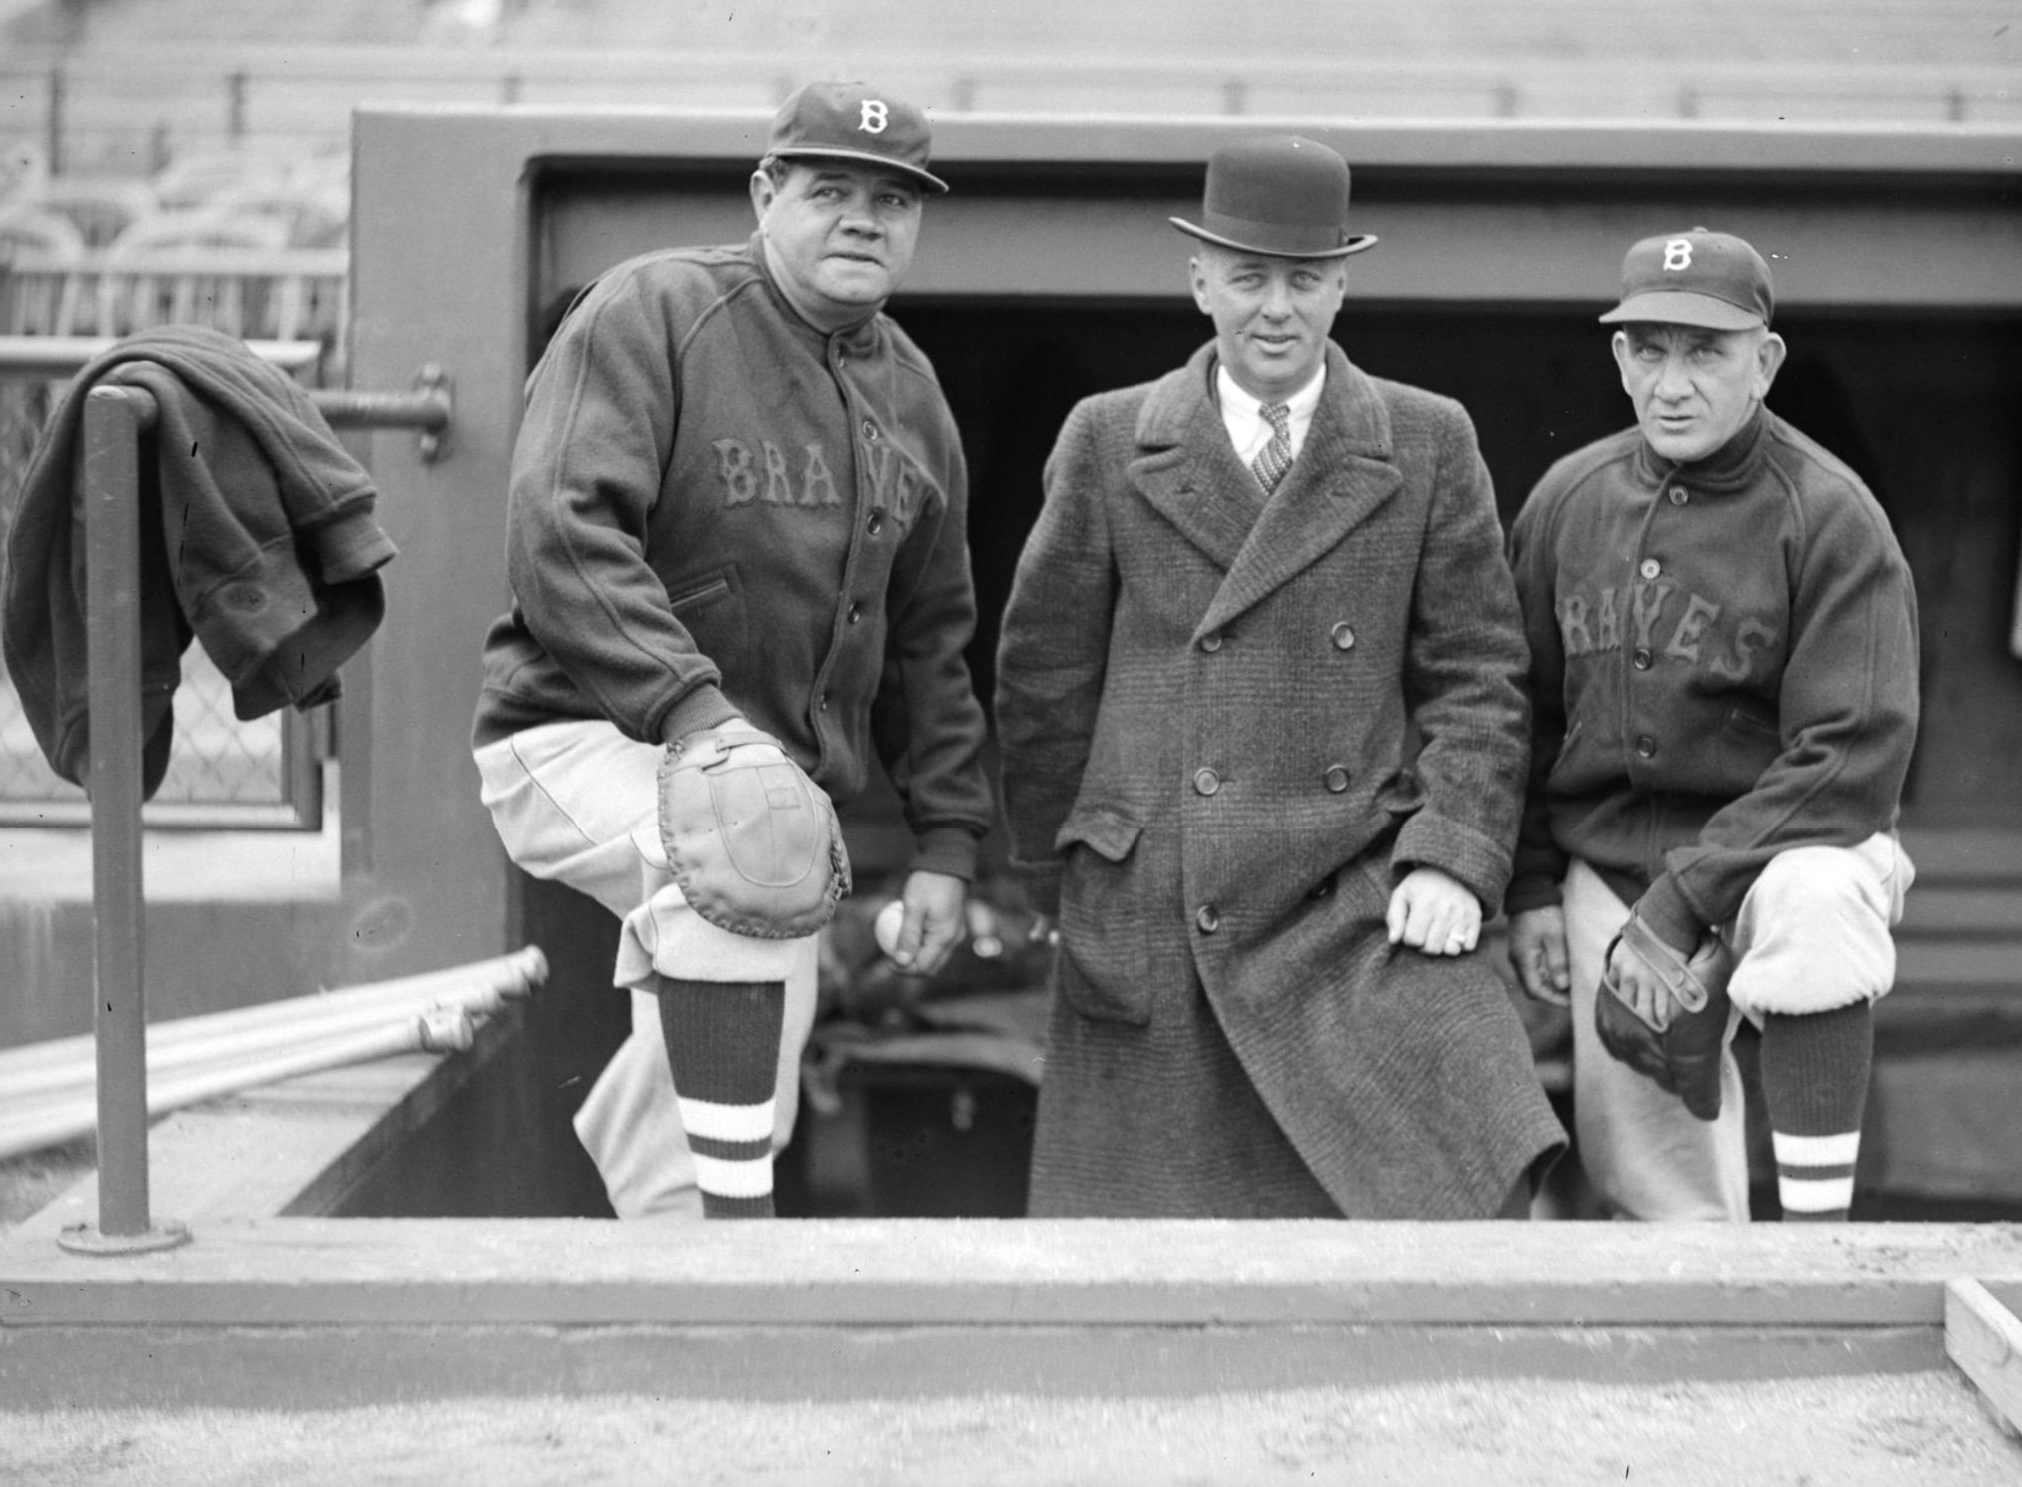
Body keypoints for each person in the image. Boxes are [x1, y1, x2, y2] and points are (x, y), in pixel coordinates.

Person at [995, 134, 1564, 1219]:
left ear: (1342, 286)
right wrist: (1057, 871)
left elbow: (1480, 678)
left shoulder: (1427, 439)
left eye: (1304, 280)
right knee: (1149, 1258)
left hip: (1351, 884)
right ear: (1199, 279)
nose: (1275, 308)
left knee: (1473, 1127)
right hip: (1159, 890)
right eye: (1249, 276)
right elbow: (1042, 682)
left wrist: (1452, 858)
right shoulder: (1110, 439)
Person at [472, 82, 991, 1219]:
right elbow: (561, 533)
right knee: (743, 862)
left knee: (756, 1052)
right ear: (766, 192)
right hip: (574, 735)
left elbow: (930, 644)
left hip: (766, 798)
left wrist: (948, 844)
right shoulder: (654, 308)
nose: (865, 218)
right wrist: (699, 719)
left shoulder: (911, 395)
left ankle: (675, 1230)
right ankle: (733, 1250)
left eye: (893, 200)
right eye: (831, 190)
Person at [1504, 229, 1919, 1222]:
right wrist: (1527, 889)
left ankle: (1821, 1259)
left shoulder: (1829, 514)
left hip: (1782, 847)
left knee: (1821, 899)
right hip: (1614, 860)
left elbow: (1850, 756)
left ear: (1763, 363)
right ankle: (1706, 1300)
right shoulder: (1570, 500)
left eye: (1706, 352)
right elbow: (1517, 709)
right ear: (1618, 359)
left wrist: (1688, 898)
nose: (1673, 383)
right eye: (1649, 350)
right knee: (1658, 1190)